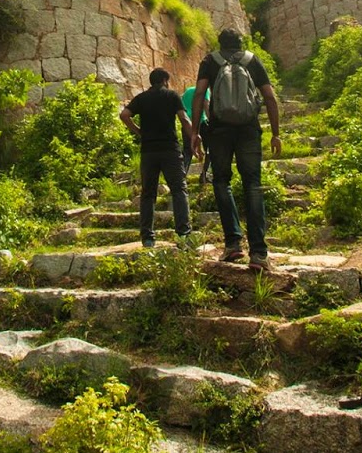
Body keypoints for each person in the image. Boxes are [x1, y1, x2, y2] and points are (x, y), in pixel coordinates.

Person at [189, 28, 281, 271]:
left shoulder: (210, 60)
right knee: (253, 184)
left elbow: (199, 94)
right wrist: (276, 133)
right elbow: (270, 97)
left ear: (220, 44)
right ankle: (259, 254)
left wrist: (195, 131)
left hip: (219, 131)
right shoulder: (252, 61)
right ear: (241, 43)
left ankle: (232, 244)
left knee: (221, 181)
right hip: (249, 130)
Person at [119, 67, 193, 248]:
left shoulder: (142, 98)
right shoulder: (172, 96)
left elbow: (124, 115)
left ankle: (148, 238)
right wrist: (194, 137)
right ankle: (183, 234)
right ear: (165, 80)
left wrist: (138, 132)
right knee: (178, 190)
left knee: (148, 194)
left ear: (151, 81)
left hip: (149, 151)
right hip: (170, 150)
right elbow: (184, 119)